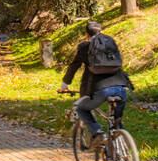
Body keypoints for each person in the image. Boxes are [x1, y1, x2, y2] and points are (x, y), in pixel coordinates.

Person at [57, 21, 133, 151]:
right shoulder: (110, 43)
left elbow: (74, 66)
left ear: (87, 34)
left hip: (101, 89)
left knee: (81, 109)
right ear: (100, 31)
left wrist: (64, 85)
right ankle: (126, 158)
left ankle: (98, 133)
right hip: (121, 87)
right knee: (116, 121)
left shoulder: (85, 47)